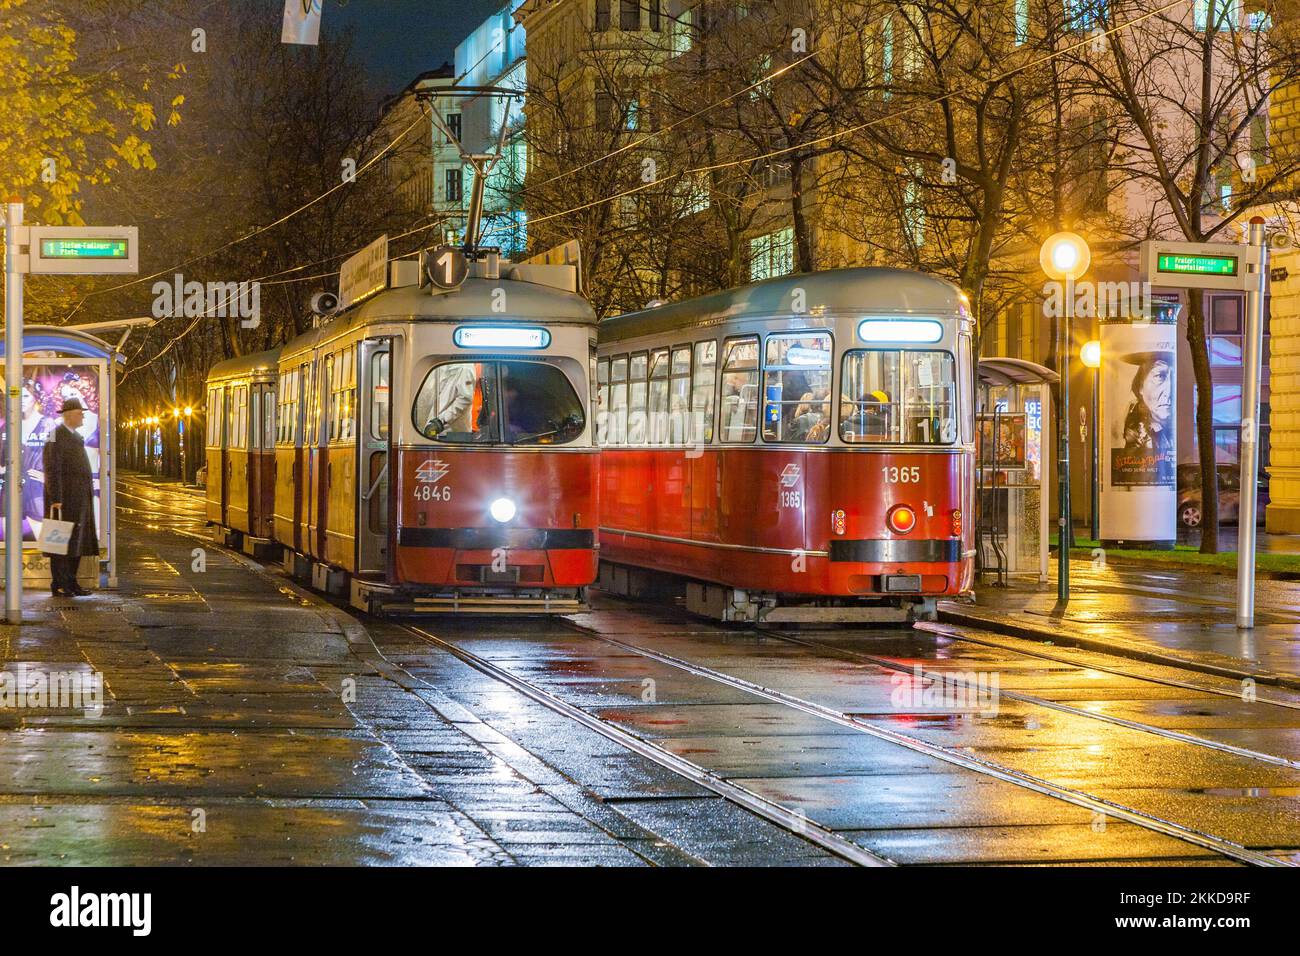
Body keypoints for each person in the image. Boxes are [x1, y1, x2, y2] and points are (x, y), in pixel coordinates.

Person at [43, 397, 98, 597]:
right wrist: (56, 498)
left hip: (78, 499)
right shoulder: (54, 436)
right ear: (69, 415)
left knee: (76, 542)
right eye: (79, 413)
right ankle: (59, 583)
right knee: (60, 542)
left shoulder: (74, 436)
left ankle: (71, 582)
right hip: (64, 501)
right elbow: (51, 469)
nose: (83, 415)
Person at [423, 363, 477, 438]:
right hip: (438, 428)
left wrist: (442, 420)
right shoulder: (441, 364)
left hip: (454, 434)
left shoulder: (465, 368)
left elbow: (465, 399)